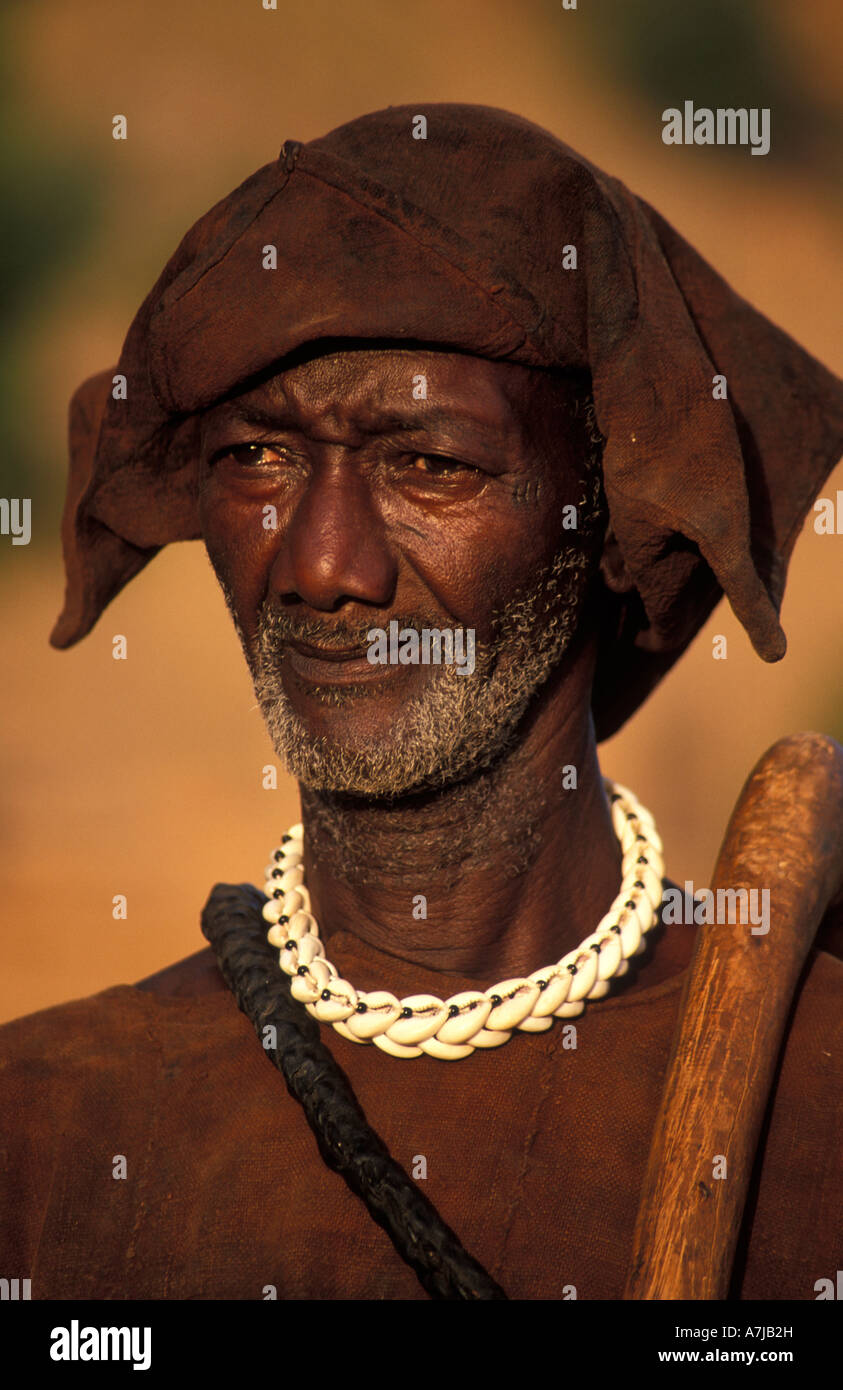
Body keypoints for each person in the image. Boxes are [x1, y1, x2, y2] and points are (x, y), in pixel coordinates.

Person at [1, 104, 840, 1301]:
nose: (322, 565)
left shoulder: (811, 1102)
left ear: (607, 520)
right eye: (259, 459)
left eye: (429, 464)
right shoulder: (43, 1132)